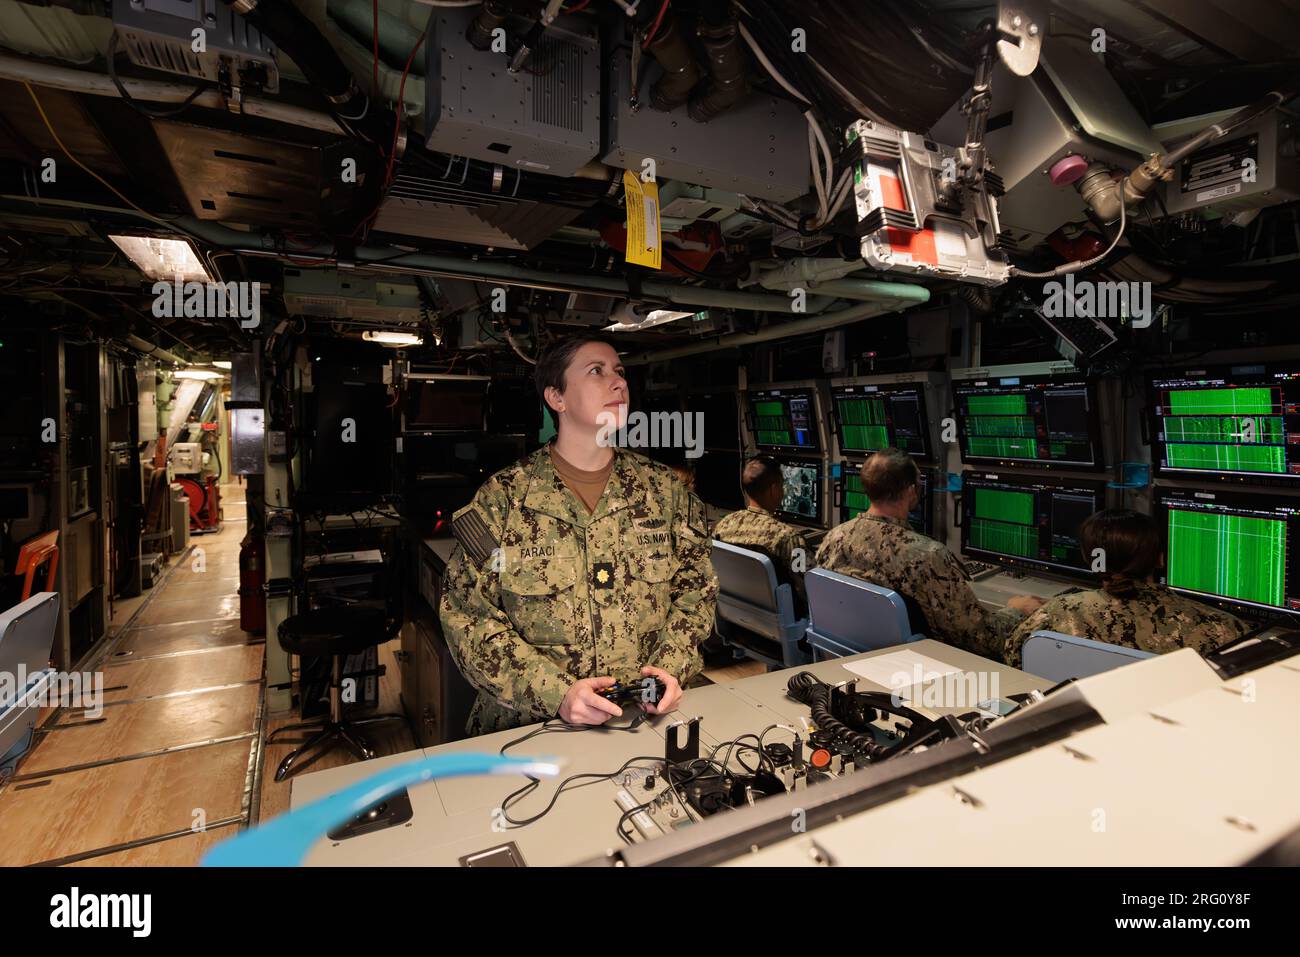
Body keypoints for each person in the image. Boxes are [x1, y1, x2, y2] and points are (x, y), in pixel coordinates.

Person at [439, 336, 718, 735]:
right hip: (533, 730)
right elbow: (467, 619)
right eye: (596, 371)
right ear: (557, 398)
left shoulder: (664, 492)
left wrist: (669, 670)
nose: (618, 382)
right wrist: (558, 695)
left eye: (619, 372)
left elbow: (697, 592)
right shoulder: (504, 499)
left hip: (644, 723)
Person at [814, 448, 1043, 659]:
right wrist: (1016, 610)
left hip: (851, 659)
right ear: (911, 490)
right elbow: (979, 639)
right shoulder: (927, 556)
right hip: (916, 669)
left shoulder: (834, 538)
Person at [1003, 509, 1251, 669]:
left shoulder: (1055, 615)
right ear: (1161, 559)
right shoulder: (1225, 629)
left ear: (1093, 561)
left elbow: (1014, 659)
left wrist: (1019, 609)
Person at [712, 455, 814, 610]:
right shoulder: (788, 537)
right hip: (781, 621)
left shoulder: (724, 524)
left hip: (737, 614)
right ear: (774, 490)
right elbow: (808, 584)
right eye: (782, 485)